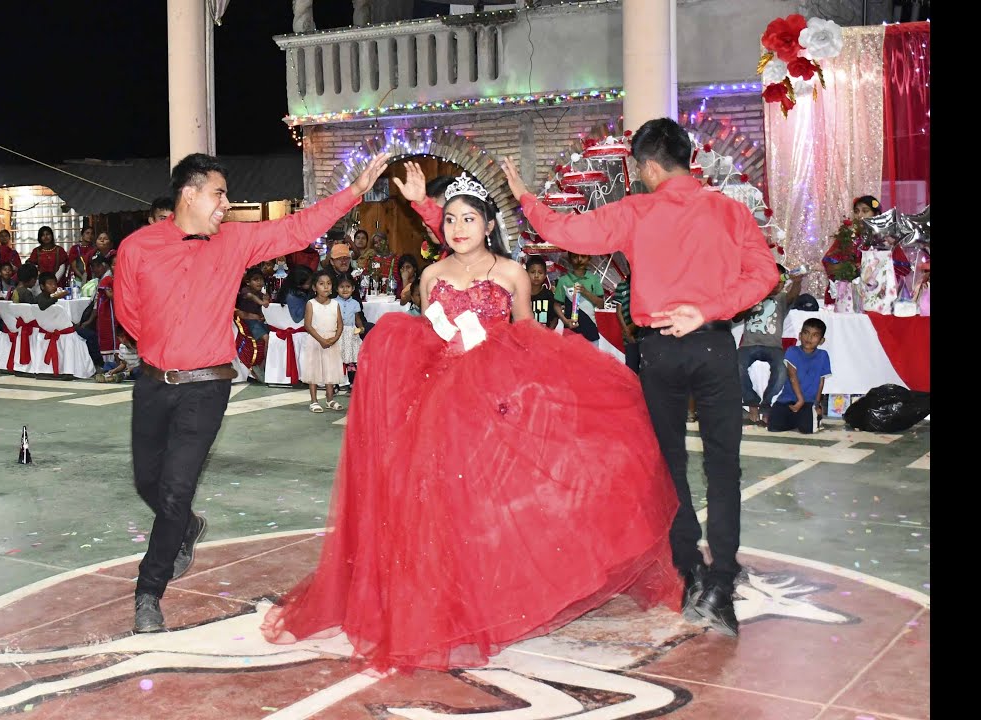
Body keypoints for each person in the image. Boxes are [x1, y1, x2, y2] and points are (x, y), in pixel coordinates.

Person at [261, 170, 681, 672]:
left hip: (501, 393)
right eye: (452, 219)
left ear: (487, 225)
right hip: (442, 401)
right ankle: (455, 596)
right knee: (444, 499)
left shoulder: (512, 272)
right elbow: (425, 340)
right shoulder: (432, 277)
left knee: (503, 497)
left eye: (470, 219)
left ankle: (504, 590)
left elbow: (528, 335)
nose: (460, 228)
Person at [499, 117, 779, 636]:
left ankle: (689, 570)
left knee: (667, 462)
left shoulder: (637, 210)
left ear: (649, 167)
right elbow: (766, 274)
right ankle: (720, 580)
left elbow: (564, 232)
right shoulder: (729, 210)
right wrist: (708, 309)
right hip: (715, 343)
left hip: (659, 351)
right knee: (724, 466)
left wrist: (525, 197)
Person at [115, 151, 390, 634]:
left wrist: (355, 191)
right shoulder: (137, 247)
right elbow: (129, 315)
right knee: (147, 483)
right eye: (219, 193)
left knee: (176, 491)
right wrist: (165, 348)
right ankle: (186, 528)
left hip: (208, 386)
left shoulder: (236, 241)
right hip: (154, 384)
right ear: (191, 193)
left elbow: (297, 230)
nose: (227, 203)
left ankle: (148, 592)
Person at [737, 264, 802, 425]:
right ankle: (752, 401)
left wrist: (797, 282)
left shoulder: (782, 299)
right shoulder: (752, 296)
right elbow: (736, 318)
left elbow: (793, 295)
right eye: (772, 281)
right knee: (736, 364)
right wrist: (752, 300)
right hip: (748, 346)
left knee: (781, 370)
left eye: (779, 282)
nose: (776, 285)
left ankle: (766, 405)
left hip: (773, 347)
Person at [768, 318, 830, 434]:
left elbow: (821, 382)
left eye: (815, 335)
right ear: (800, 335)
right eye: (806, 333)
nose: (809, 338)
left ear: (821, 341)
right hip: (788, 399)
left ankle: (809, 417)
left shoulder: (823, 356)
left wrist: (816, 403)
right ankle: (797, 419)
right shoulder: (792, 351)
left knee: (807, 430)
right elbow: (792, 377)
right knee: (774, 426)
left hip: (807, 401)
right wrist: (799, 400)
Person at [300, 271, 345, 413]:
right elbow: (307, 325)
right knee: (314, 370)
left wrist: (334, 338)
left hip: (331, 341)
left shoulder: (335, 304)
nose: (326, 287)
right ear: (314, 287)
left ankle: (330, 399)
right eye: (321, 284)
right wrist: (321, 340)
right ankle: (313, 401)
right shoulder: (311, 304)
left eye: (329, 283)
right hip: (315, 341)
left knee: (330, 370)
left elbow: (340, 324)